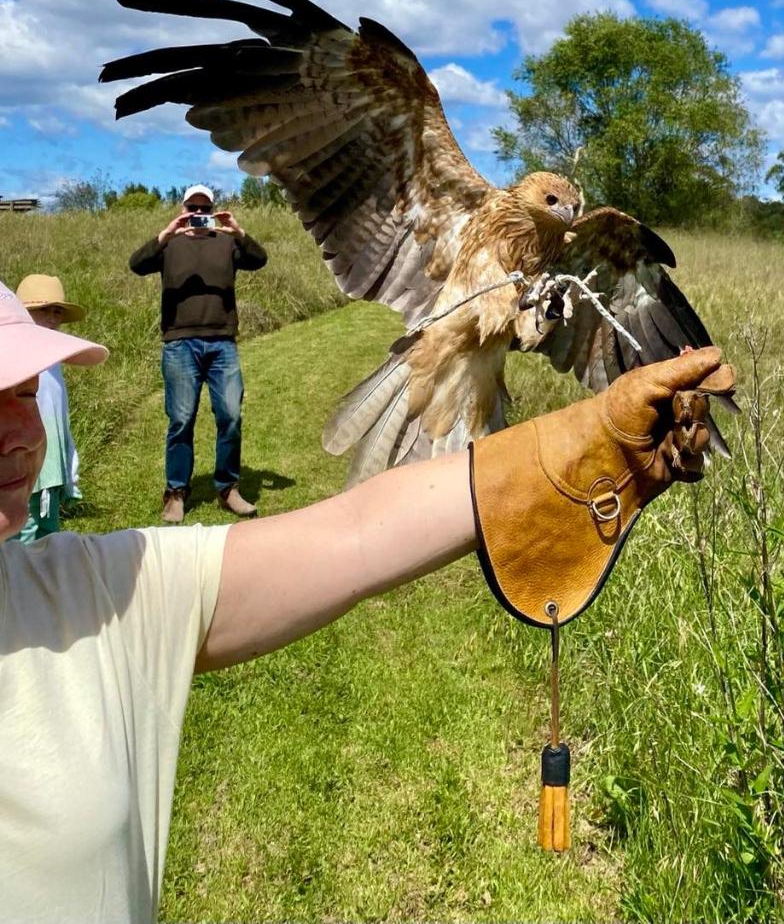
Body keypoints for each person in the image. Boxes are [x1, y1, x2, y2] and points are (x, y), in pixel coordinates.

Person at [0, 275, 732, 921]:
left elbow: (353, 537)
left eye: (29, 394)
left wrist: (585, 444)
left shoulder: (88, 595)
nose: (21, 434)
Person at [129, 183, 268, 524]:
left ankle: (228, 488)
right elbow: (137, 264)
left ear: (213, 211)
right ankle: (176, 493)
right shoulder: (170, 244)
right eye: (193, 208)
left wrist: (238, 231)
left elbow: (259, 259)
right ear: (183, 209)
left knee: (230, 417)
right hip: (180, 344)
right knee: (181, 420)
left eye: (205, 209)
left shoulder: (226, 242)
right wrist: (165, 234)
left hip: (222, 343)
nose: (199, 214)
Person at [11, 274, 88, 542]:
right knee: (24, 533)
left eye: (57, 312)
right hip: (23, 465)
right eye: (44, 310)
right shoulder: (13, 360)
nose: (53, 318)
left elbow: (58, 415)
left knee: (47, 533)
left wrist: (69, 463)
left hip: (50, 465)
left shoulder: (53, 362)